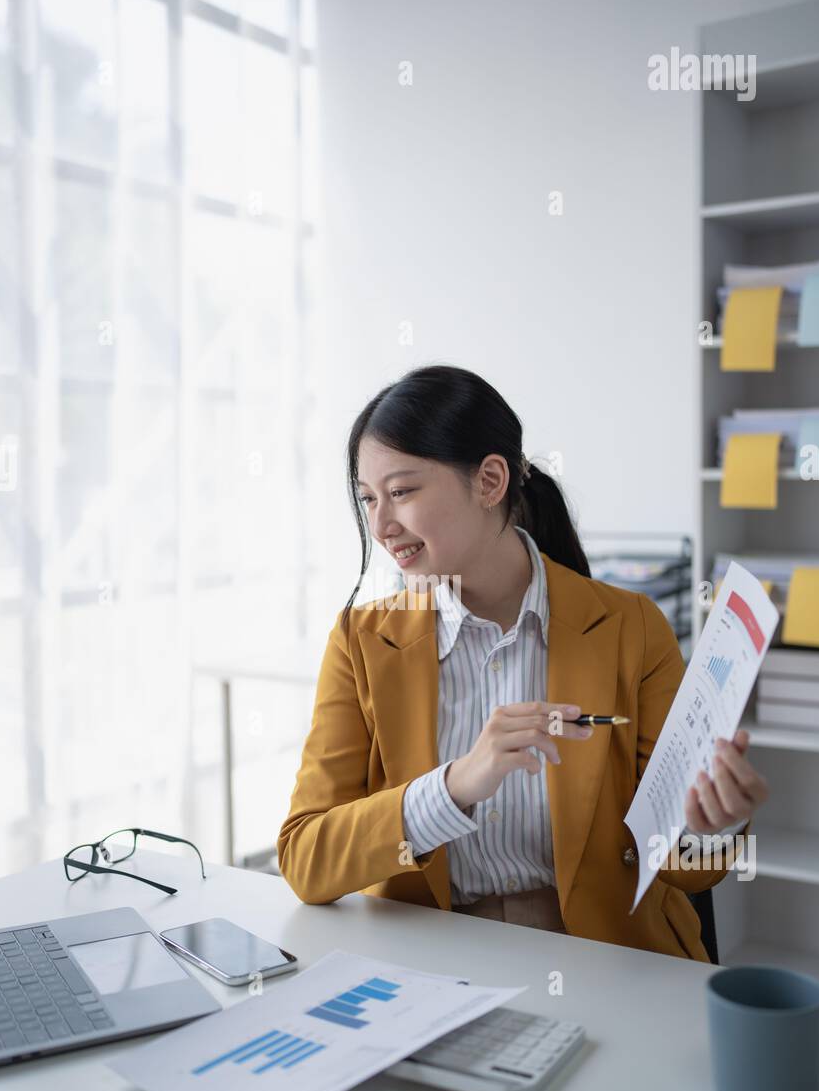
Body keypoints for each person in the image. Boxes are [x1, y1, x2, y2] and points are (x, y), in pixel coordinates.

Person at [277, 365, 768, 960]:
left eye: (402, 492)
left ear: (489, 481)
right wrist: (455, 786)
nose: (381, 526)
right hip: (433, 961)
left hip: (604, 958)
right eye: (368, 499)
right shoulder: (362, 641)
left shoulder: (630, 627)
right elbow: (306, 859)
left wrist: (710, 826)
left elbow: (688, 873)